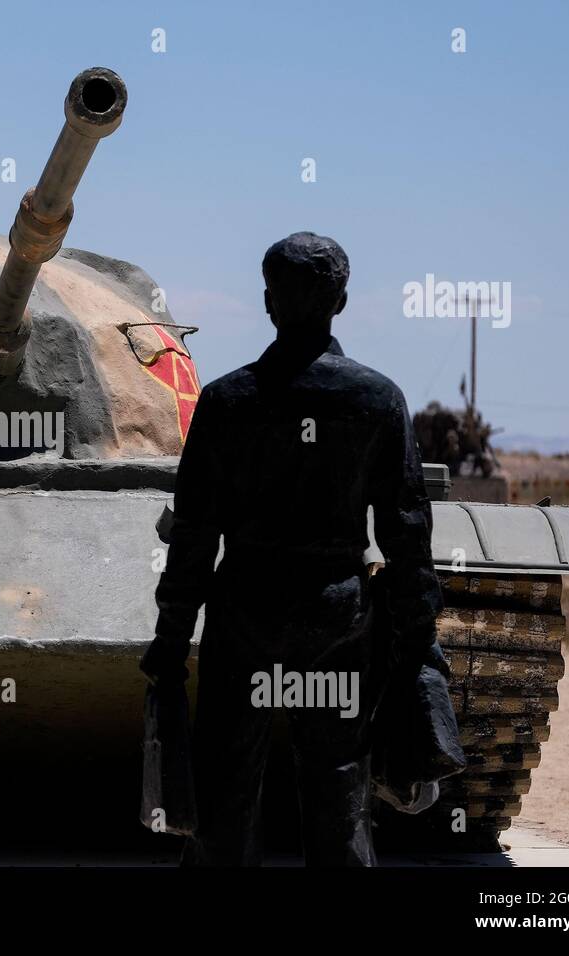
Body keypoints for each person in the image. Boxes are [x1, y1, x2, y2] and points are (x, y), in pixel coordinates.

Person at [140, 232, 442, 866]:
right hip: (336, 614)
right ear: (343, 301)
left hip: (245, 612)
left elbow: (194, 536)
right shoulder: (377, 400)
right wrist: (416, 644)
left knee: (224, 788)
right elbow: (406, 532)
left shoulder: (226, 401)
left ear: (270, 301)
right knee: (339, 788)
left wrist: (170, 644)